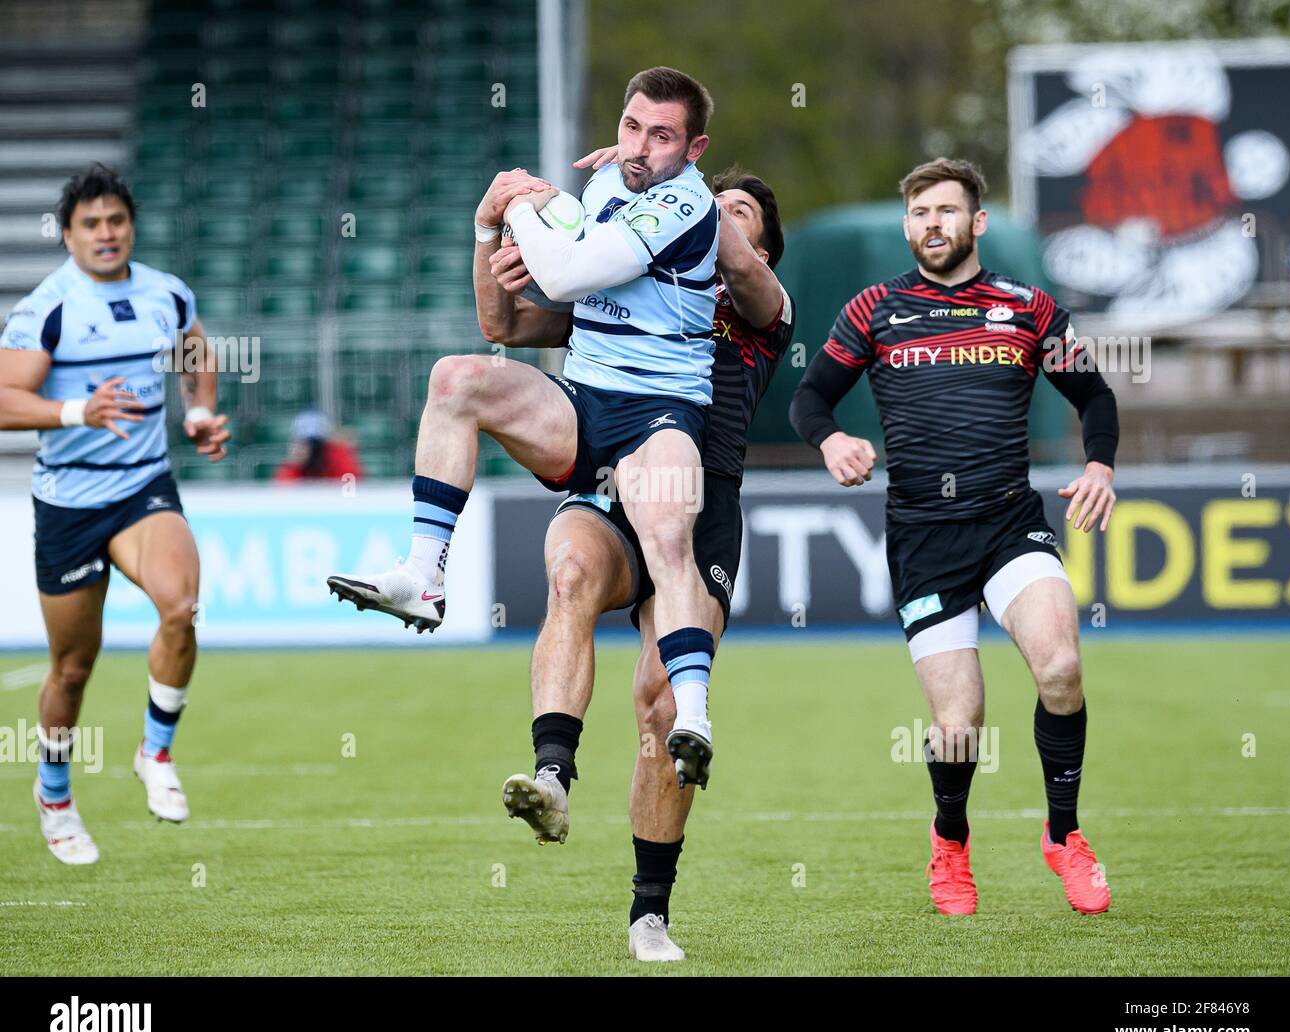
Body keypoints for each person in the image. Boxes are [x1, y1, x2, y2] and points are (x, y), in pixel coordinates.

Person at [328, 67, 725, 787]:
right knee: (456, 379)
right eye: (631, 127)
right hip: (586, 401)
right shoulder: (610, 180)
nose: (639, 146)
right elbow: (509, 315)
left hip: (663, 408)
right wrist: (492, 220)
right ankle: (424, 574)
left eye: (662, 136)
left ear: (694, 149)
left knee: (667, 539)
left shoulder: (685, 205)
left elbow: (567, 278)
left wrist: (527, 206)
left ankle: (693, 715)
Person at [480, 158, 792, 960]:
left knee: (659, 704)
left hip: (702, 508)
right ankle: (552, 774)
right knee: (569, 577)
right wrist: (497, 237)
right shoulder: (621, 295)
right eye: (714, 202)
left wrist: (675, 195)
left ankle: (649, 910)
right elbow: (506, 326)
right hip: (617, 484)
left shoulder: (762, 311)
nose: (722, 215)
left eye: (740, 211)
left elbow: (744, 267)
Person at [790, 157, 1118, 916]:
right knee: (958, 722)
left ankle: (1064, 836)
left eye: (944, 210)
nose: (929, 224)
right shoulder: (875, 308)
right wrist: (832, 441)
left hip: (1009, 522)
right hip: (923, 537)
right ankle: (950, 841)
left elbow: (1094, 393)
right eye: (918, 213)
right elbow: (812, 397)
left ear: (977, 223)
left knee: (1061, 667)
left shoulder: (1027, 308)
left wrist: (1099, 463)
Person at [0, 163, 230, 864]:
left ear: (131, 225)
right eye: (91, 225)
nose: (106, 234)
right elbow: (5, 400)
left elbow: (196, 346)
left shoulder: (164, 292)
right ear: (67, 236)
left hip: (141, 488)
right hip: (69, 501)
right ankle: (55, 794)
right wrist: (78, 410)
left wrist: (197, 410)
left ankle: (154, 753)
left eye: (116, 221)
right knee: (73, 669)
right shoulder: (49, 309)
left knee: (180, 606)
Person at [273, 409, 364, 483]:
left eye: (317, 443)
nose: (314, 450)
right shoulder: (294, 464)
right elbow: (284, 494)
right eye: (306, 443)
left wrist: (337, 456)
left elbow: (352, 488)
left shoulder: (336, 455)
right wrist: (293, 466)